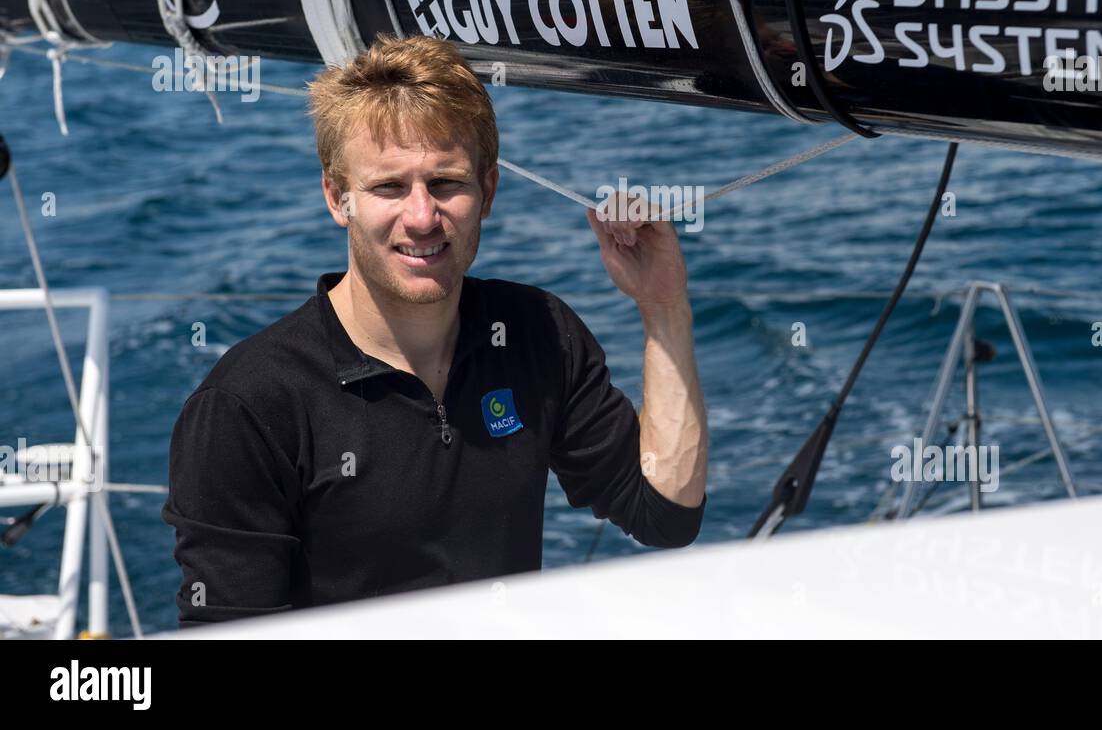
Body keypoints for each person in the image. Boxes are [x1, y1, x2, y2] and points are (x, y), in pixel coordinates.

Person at [161, 34, 708, 628]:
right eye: (389, 187)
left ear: (488, 191)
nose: (422, 217)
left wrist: (663, 307)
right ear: (337, 197)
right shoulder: (247, 406)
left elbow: (664, 513)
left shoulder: (538, 334)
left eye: (446, 183)